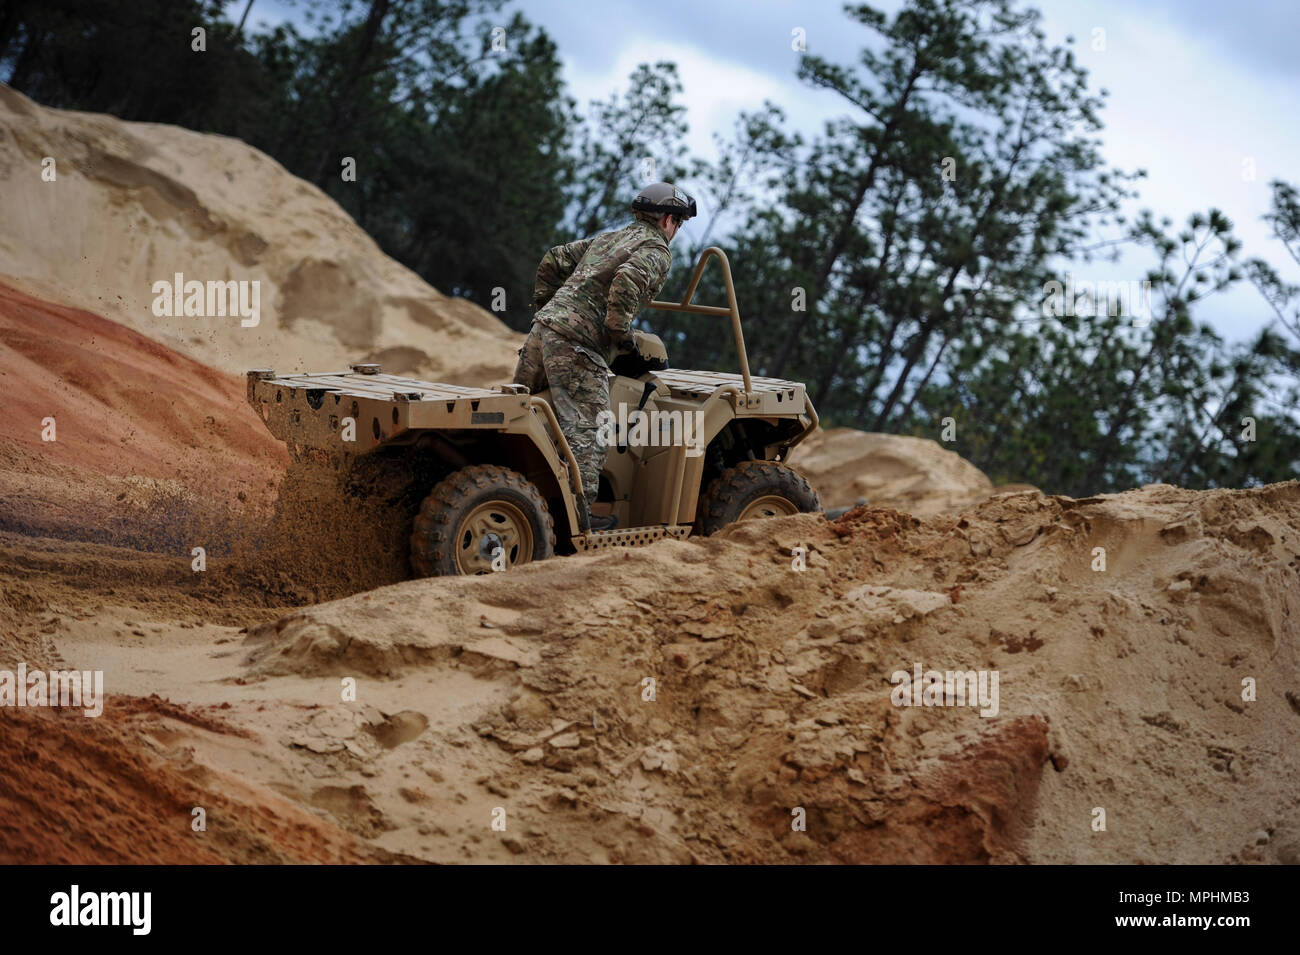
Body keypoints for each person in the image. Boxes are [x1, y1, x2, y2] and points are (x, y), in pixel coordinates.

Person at [513, 182, 696, 532]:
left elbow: (554, 258)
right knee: (591, 430)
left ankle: (514, 493)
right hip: (577, 345)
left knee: (520, 413)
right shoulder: (657, 250)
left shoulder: (610, 238)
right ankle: (577, 522)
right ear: (668, 220)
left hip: (542, 332)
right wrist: (620, 336)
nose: (677, 230)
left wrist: (550, 310)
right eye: (679, 222)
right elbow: (627, 280)